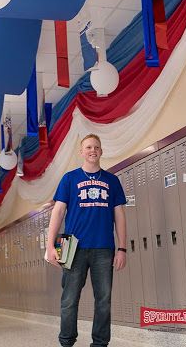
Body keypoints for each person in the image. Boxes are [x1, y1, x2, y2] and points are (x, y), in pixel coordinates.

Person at [45, 134, 127, 347]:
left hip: (103, 248)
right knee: (69, 299)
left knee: (103, 300)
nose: (93, 150)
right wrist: (50, 246)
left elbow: (119, 215)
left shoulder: (112, 181)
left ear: (101, 152)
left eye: (96, 147)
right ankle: (66, 342)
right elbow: (58, 211)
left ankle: (100, 343)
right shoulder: (69, 179)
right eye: (88, 147)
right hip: (71, 246)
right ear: (81, 152)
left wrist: (122, 248)